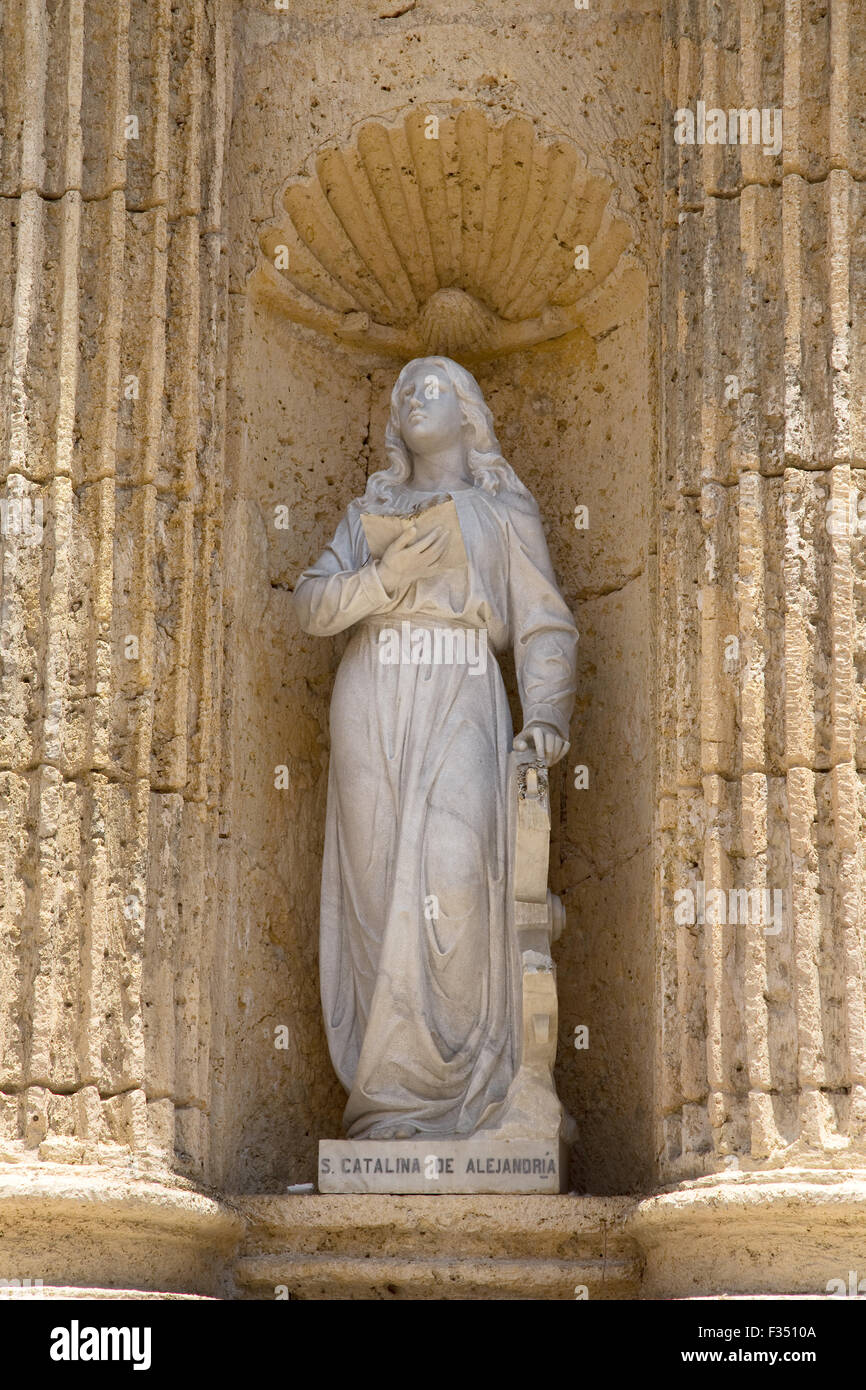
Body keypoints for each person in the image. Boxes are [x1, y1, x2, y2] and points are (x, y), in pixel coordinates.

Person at [293, 356, 578, 1139]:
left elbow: (544, 621)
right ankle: (390, 1107)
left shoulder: (501, 510)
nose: (415, 400)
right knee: (383, 891)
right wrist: (383, 578)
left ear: (470, 413)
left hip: (460, 685)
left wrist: (547, 712)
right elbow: (313, 605)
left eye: (434, 388)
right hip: (373, 691)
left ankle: (475, 1100)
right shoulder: (370, 511)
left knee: (455, 874)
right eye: (404, 391)